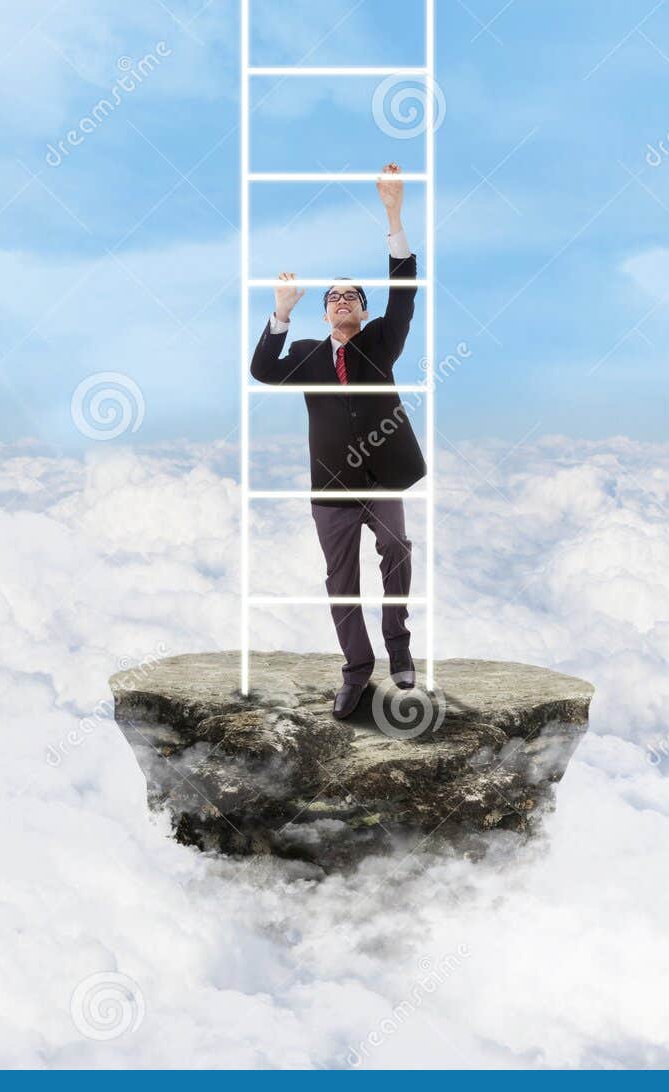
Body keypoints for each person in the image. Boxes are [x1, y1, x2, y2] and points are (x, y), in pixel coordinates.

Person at [250, 163, 425, 719]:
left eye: (352, 295)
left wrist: (393, 216)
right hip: (329, 487)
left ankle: (399, 648)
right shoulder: (303, 354)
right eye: (333, 296)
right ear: (324, 311)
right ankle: (356, 668)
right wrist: (280, 313)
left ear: (364, 311)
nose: (342, 299)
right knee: (340, 581)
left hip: (380, 480)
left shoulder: (380, 341)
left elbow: (404, 292)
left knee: (396, 549)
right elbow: (261, 370)